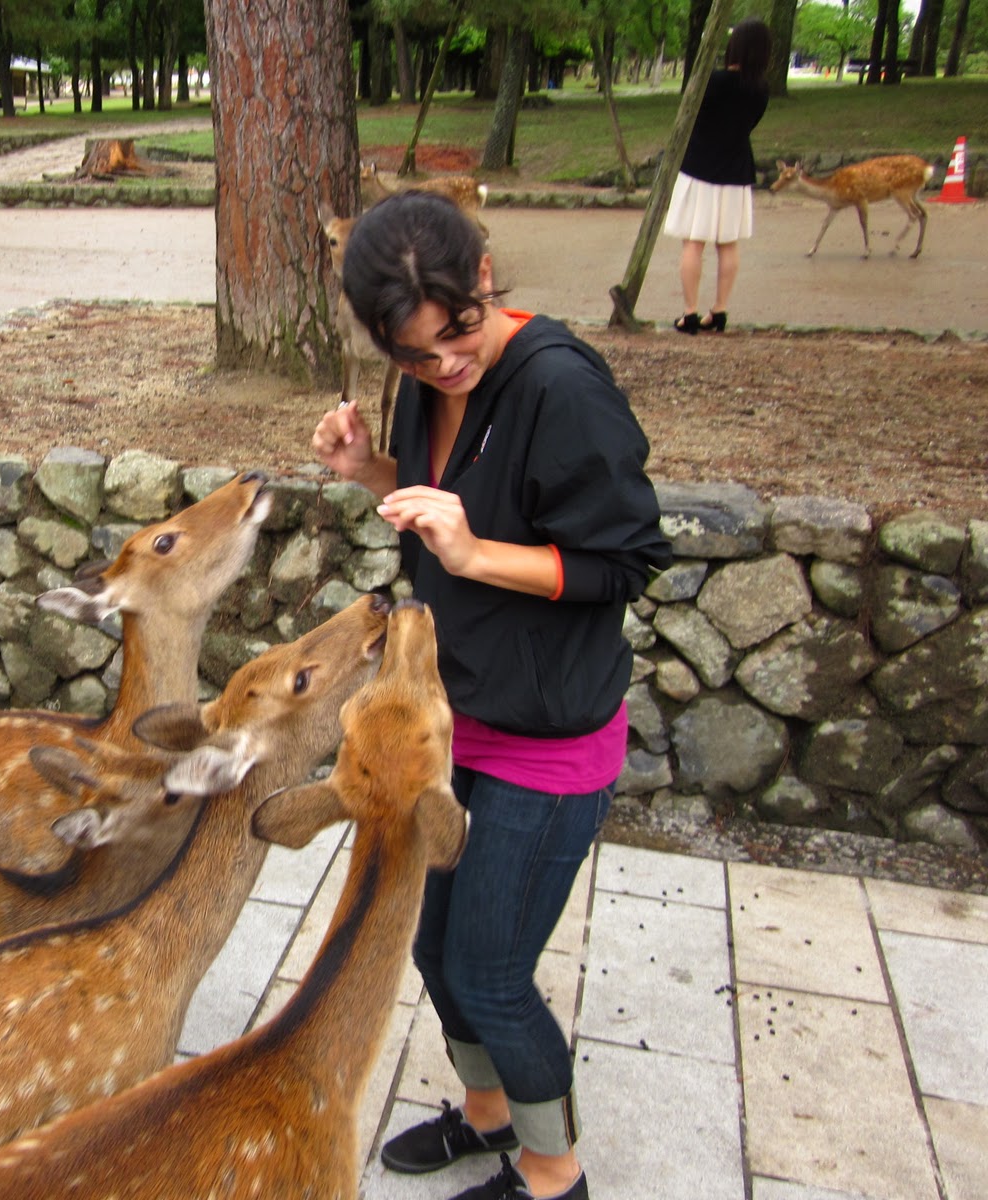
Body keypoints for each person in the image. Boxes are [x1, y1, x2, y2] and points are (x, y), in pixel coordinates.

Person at [311, 191, 671, 1200]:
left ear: (482, 277)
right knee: (434, 949)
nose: (443, 366)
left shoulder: (561, 388)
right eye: (414, 356)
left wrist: (474, 554)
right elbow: (434, 506)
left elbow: (626, 561)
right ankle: (486, 1118)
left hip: (548, 737)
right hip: (453, 719)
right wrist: (367, 469)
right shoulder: (423, 383)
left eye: (456, 337)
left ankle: (554, 1174)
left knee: (490, 976)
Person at [663, 17, 772, 334]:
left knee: (693, 243)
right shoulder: (760, 90)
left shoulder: (714, 81)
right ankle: (720, 310)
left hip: (700, 167)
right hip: (736, 171)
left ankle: (690, 313)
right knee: (728, 244)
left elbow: (690, 115)